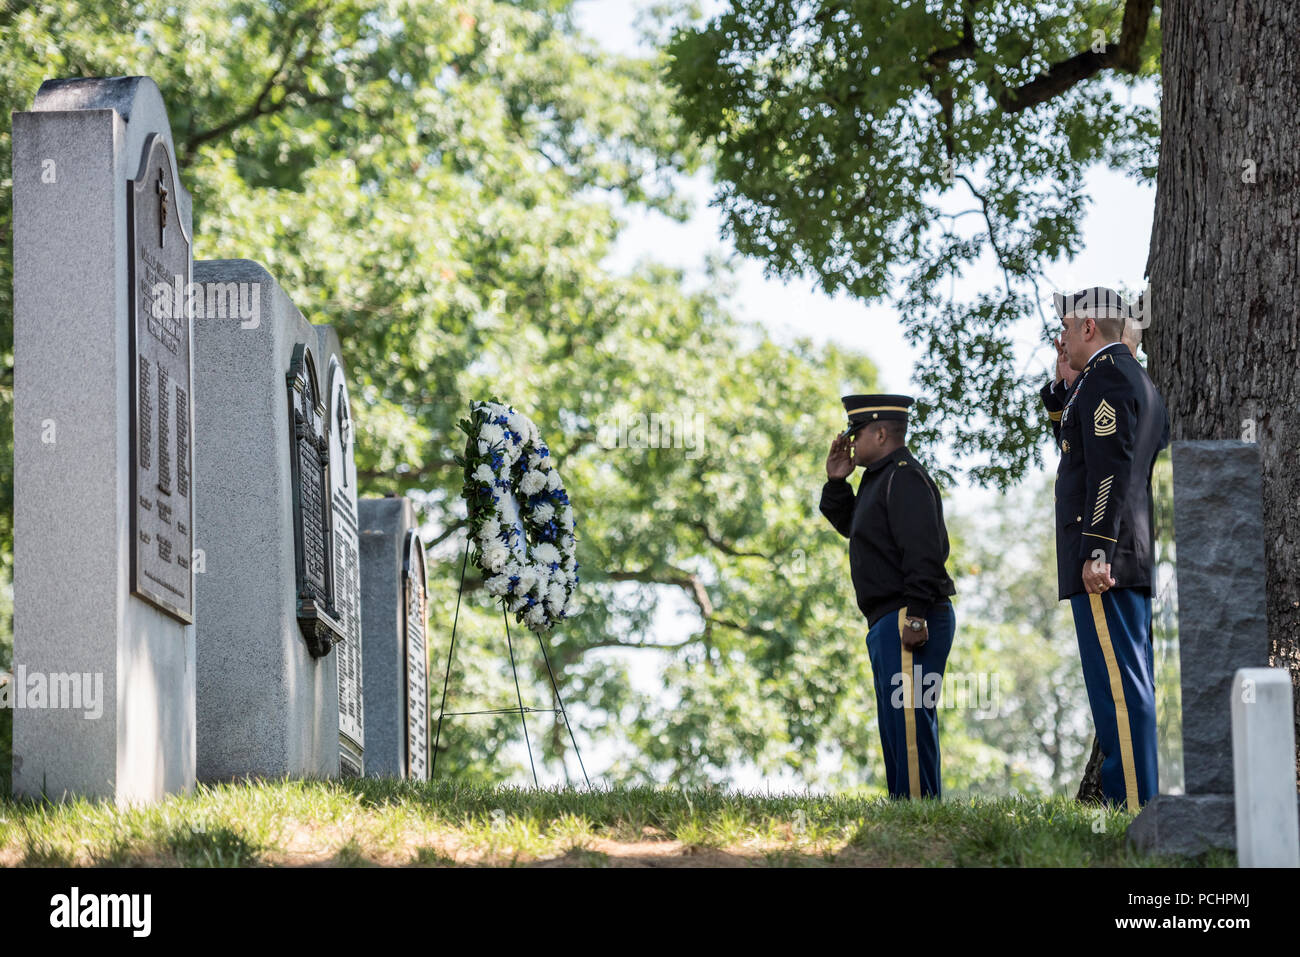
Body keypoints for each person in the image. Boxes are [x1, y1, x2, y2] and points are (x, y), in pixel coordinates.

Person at [1050, 288, 1170, 812]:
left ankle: (1133, 810)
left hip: (1107, 559)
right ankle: (1137, 803)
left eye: (1068, 328)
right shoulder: (1130, 378)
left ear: (1089, 329)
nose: (1063, 338)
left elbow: (1109, 469)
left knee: (1119, 690)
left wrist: (1096, 549)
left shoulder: (1106, 379)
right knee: (1127, 683)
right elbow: (1086, 445)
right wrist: (1060, 391)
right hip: (1129, 556)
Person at [819, 394, 957, 798]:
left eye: (855, 433)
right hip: (888, 617)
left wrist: (915, 615)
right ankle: (909, 814)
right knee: (898, 724)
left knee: (910, 722)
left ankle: (919, 818)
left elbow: (925, 552)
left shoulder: (904, 476)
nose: (850, 442)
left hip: (909, 615)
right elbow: (856, 529)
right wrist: (836, 482)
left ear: (881, 433)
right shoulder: (879, 478)